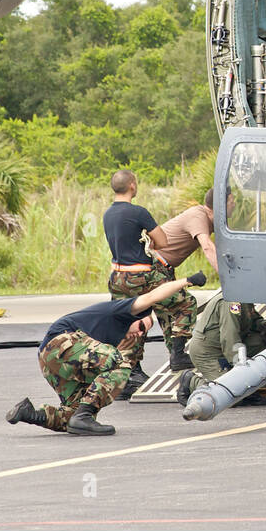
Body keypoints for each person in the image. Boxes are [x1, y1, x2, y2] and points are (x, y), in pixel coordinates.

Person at [5, 273, 206, 435]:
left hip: (50, 359)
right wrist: (187, 281)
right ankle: (86, 416)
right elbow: (152, 296)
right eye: (143, 326)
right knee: (121, 364)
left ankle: (30, 413)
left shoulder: (113, 336)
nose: (140, 333)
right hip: (63, 342)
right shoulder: (120, 311)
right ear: (136, 315)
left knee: (71, 415)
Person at [113, 190, 223, 372]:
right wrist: (226, 278)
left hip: (161, 267)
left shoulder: (205, 217)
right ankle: (177, 356)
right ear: (220, 205)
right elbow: (207, 247)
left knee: (167, 314)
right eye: (230, 203)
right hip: (156, 266)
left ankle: (174, 355)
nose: (233, 207)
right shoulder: (199, 216)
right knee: (185, 304)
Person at [103, 169, 166, 396]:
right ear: (132, 185)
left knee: (123, 323)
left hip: (117, 275)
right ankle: (177, 352)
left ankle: (123, 373)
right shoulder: (138, 212)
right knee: (148, 318)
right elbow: (162, 241)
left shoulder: (108, 214)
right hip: (137, 275)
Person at [176, 298, 266, 407]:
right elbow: (229, 337)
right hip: (208, 354)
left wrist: (262, 325)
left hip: (222, 350)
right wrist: (240, 368)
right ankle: (191, 381)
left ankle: (244, 389)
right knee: (228, 395)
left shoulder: (243, 297)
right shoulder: (231, 302)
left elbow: (251, 318)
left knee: (262, 340)